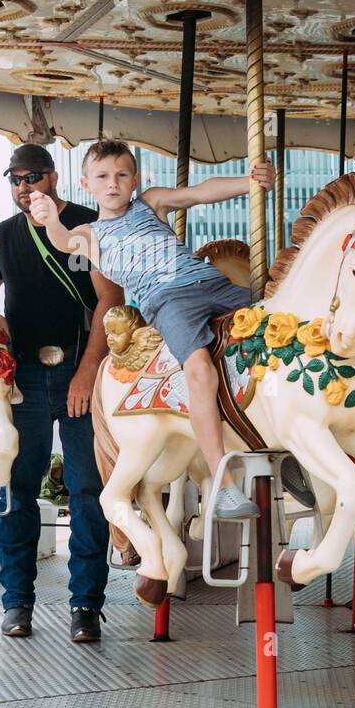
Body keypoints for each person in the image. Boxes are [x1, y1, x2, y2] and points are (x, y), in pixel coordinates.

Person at [30, 139, 276, 519]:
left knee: (280, 325)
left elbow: (199, 193)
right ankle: (223, 484)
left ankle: (282, 435)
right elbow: (63, 241)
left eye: (121, 175)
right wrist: (48, 218)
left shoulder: (150, 202)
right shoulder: (89, 234)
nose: (113, 183)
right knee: (198, 369)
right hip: (168, 302)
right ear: (85, 184)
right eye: (102, 176)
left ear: (135, 180)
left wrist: (250, 182)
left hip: (211, 284)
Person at [0, 145, 125, 644]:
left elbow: (110, 301)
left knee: (86, 490)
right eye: (15, 180)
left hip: (77, 370)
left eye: (31, 177)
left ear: (52, 178)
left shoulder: (88, 225)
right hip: (23, 376)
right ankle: (16, 602)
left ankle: (87, 604)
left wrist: (87, 372)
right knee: (16, 490)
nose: (23, 187)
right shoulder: (4, 234)